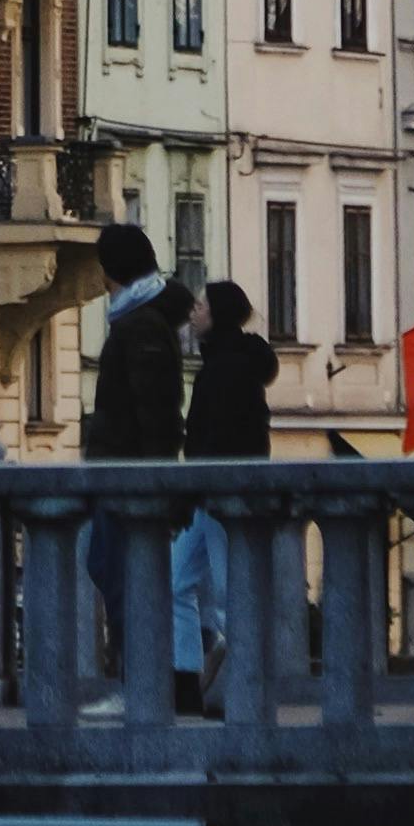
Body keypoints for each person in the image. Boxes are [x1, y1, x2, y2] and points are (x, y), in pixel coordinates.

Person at [78, 222, 185, 680]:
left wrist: (158, 483)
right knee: (115, 572)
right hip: (125, 473)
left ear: (112, 270)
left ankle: (138, 683)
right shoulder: (141, 318)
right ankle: (141, 677)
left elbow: (155, 411)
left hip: (127, 477)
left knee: (120, 577)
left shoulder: (139, 325)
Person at [172, 277, 277, 710]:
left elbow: (218, 436)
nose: (194, 312)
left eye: (201, 306)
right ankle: (185, 682)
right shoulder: (229, 362)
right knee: (175, 581)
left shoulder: (226, 368)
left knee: (229, 596)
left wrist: (203, 485)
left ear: (217, 316)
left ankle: (244, 691)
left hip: (221, 495)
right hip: (208, 494)